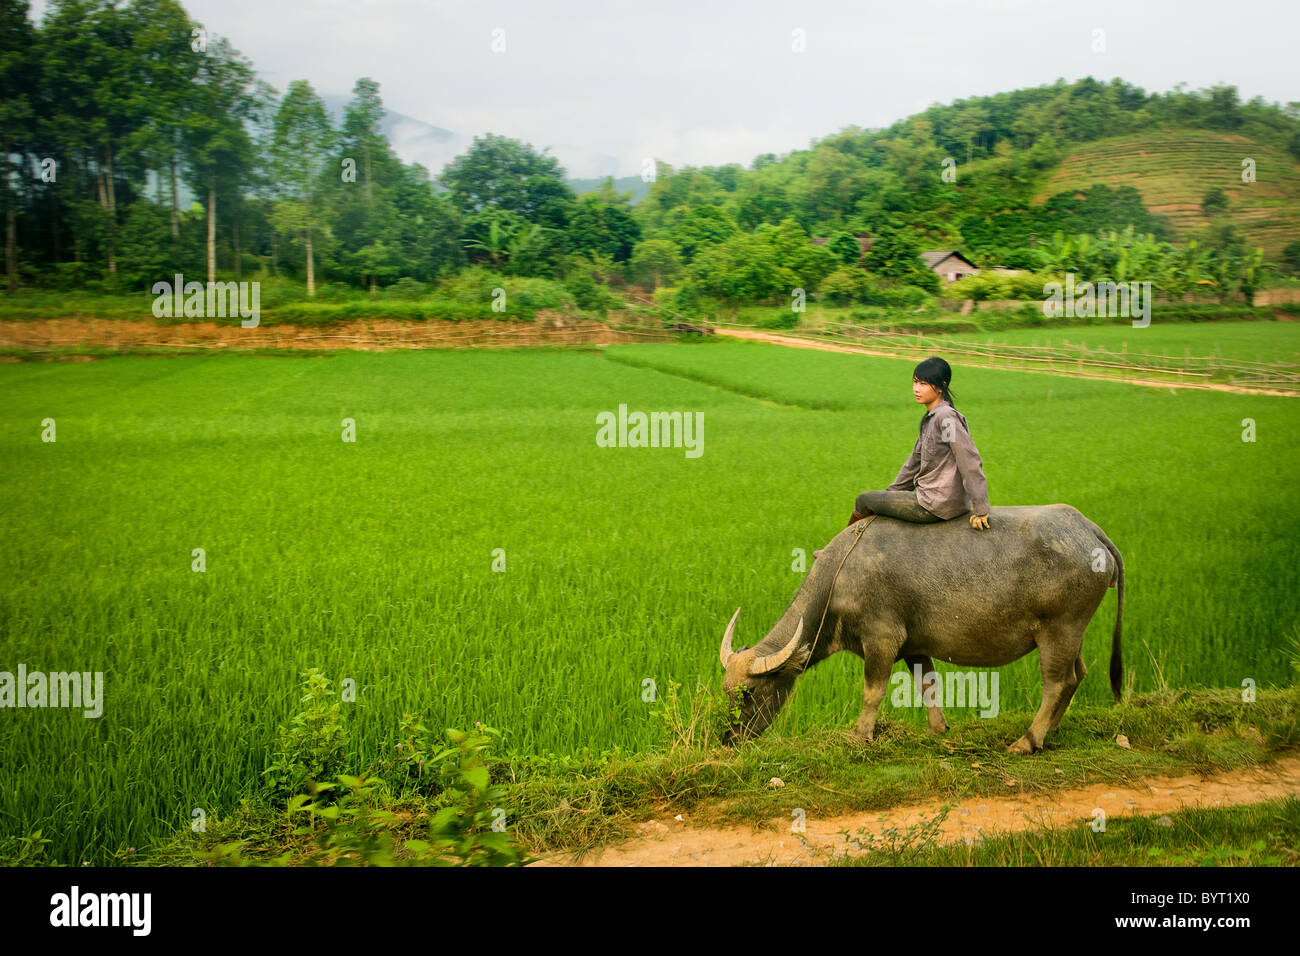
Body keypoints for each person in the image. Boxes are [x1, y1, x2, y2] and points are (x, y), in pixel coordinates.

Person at [814, 357, 990, 559]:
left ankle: (836, 554)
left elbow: (967, 459)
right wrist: (891, 494)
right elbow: (913, 464)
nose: (916, 388)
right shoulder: (931, 419)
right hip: (934, 499)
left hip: (935, 504)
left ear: (941, 386)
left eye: (923, 383)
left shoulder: (946, 419)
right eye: (915, 382)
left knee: (863, 501)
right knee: (877, 502)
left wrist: (981, 508)